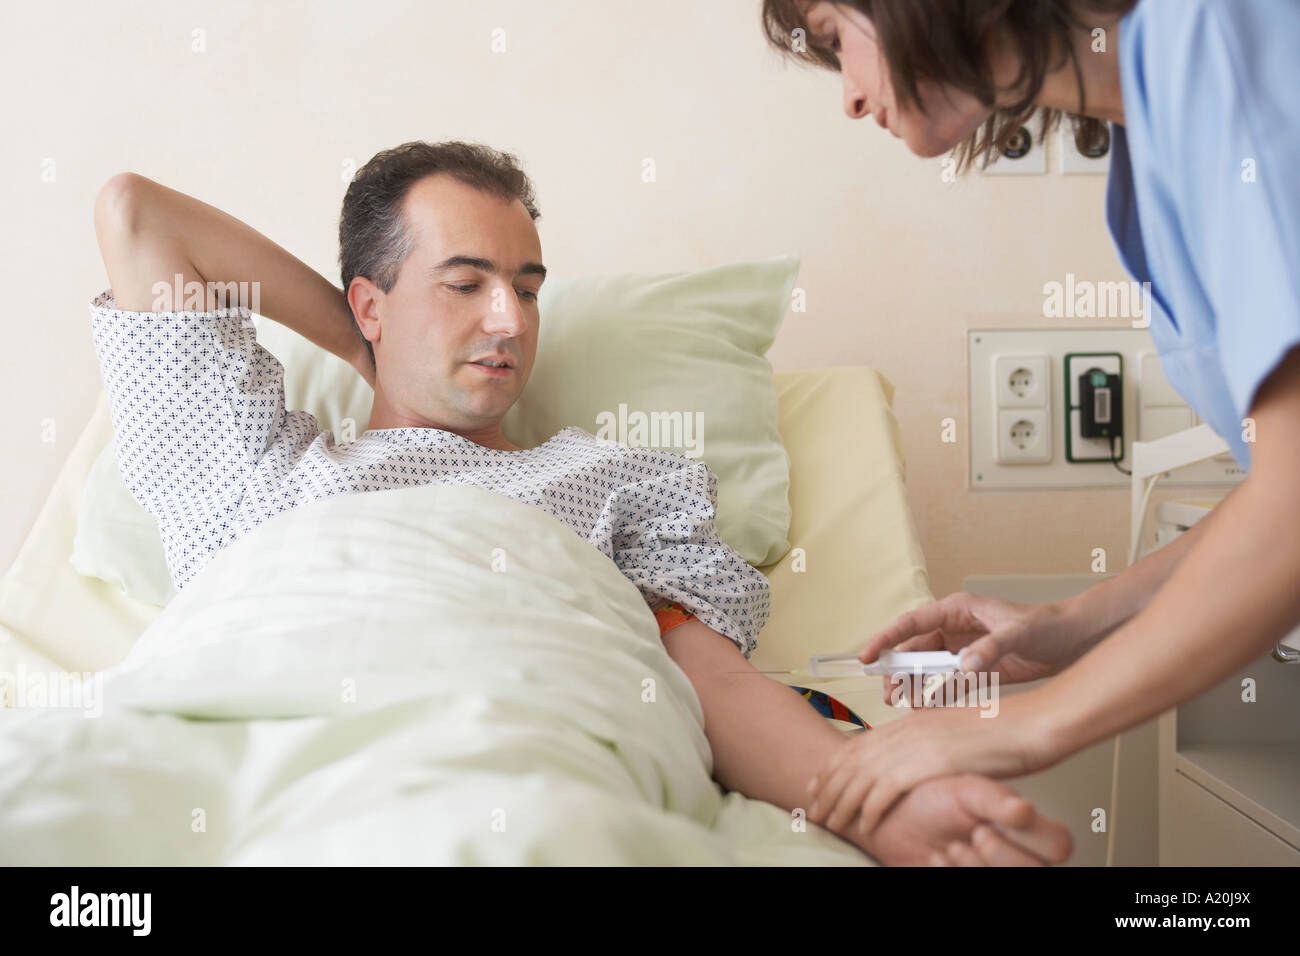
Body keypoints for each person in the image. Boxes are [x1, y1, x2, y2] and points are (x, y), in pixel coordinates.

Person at [88, 140, 1072, 865]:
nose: (509, 321)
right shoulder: (257, 473)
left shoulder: (613, 483)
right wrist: (356, 346)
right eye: (463, 283)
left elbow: (702, 681)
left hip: (516, 759)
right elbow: (136, 214)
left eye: (526, 285)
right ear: (371, 299)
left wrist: (875, 805)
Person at [760, 0, 1300, 855]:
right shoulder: (1149, 145)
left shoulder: (1220, 31)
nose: (851, 99)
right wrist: (1071, 624)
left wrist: (1025, 729)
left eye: (835, 38)